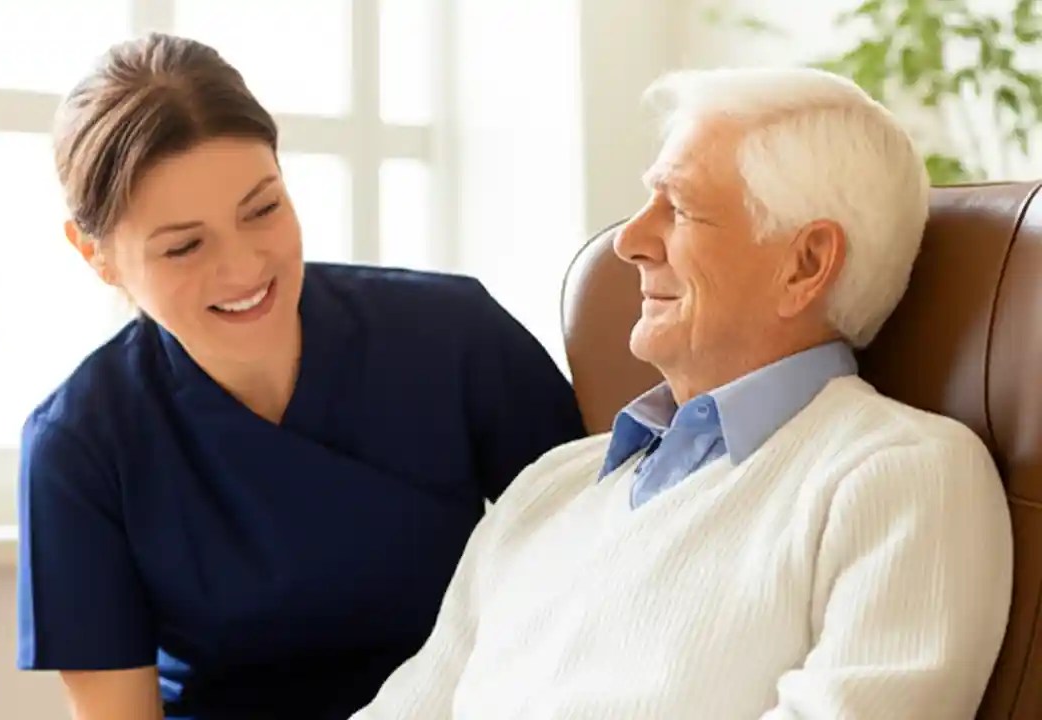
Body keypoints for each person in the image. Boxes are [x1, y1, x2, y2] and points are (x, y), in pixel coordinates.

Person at [350, 67, 1014, 719]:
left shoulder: (899, 473)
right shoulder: (551, 486)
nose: (630, 242)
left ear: (805, 264)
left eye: (680, 209)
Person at [14, 32, 587, 720]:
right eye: (185, 246)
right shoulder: (80, 443)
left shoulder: (456, 338)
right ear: (96, 255)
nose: (244, 268)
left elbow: (599, 566)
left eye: (263, 209)